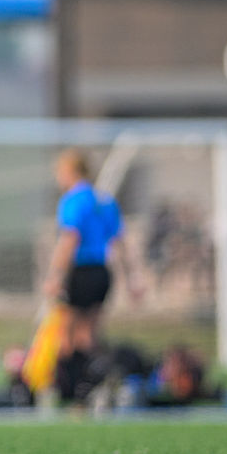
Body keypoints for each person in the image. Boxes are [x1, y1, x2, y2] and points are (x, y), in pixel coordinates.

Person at [42, 148, 141, 403]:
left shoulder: (74, 200)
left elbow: (69, 240)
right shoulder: (104, 201)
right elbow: (120, 242)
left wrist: (55, 275)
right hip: (101, 273)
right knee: (90, 333)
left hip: (81, 271)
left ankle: (72, 388)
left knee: (68, 333)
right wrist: (132, 279)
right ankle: (94, 385)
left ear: (69, 171)